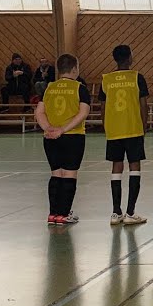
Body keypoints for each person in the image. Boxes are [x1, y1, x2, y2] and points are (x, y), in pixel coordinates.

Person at [35, 54, 90, 226]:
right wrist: (63, 130)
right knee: (69, 174)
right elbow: (83, 113)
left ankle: (53, 214)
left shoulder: (49, 88)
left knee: (56, 173)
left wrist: (48, 128)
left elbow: (39, 112)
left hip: (50, 137)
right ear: (75, 69)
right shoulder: (79, 88)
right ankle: (64, 214)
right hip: (72, 137)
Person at [100, 44, 149, 226]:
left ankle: (115, 212)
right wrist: (144, 126)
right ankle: (130, 212)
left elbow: (103, 107)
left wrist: (106, 125)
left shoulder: (106, 79)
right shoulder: (137, 77)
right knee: (134, 166)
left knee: (116, 167)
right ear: (130, 57)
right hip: (133, 128)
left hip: (114, 130)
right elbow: (143, 103)